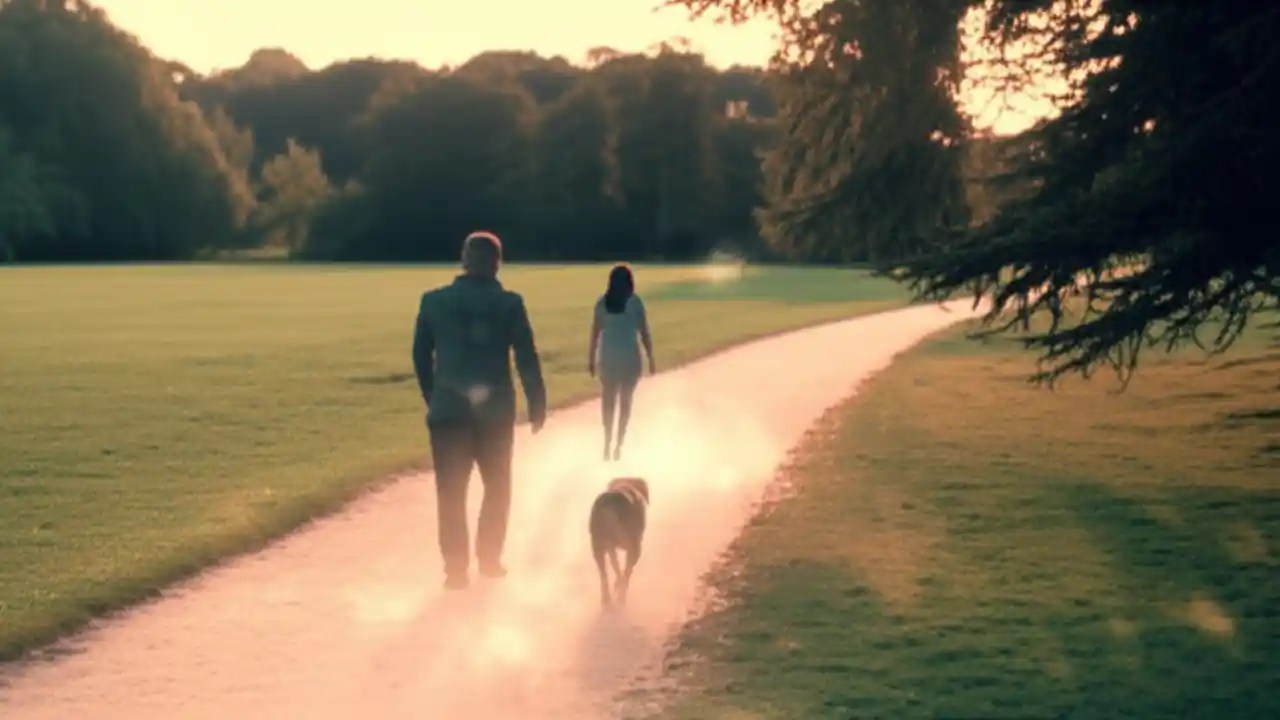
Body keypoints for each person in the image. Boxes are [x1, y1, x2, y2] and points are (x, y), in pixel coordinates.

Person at [412, 231, 547, 590]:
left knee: (451, 491)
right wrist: (537, 401)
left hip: (447, 411)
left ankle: (455, 569)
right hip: (495, 413)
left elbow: (420, 357)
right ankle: (489, 558)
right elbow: (526, 356)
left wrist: (434, 395)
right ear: (496, 264)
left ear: (464, 260)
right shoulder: (509, 304)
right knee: (497, 486)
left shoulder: (433, 302)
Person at [588, 264, 655, 462]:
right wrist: (650, 357)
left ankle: (608, 441)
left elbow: (595, 334)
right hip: (629, 359)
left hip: (608, 359)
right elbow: (644, 332)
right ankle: (618, 443)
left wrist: (591, 358)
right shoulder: (635, 303)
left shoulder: (602, 303)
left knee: (608, 402)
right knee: (625, 403)